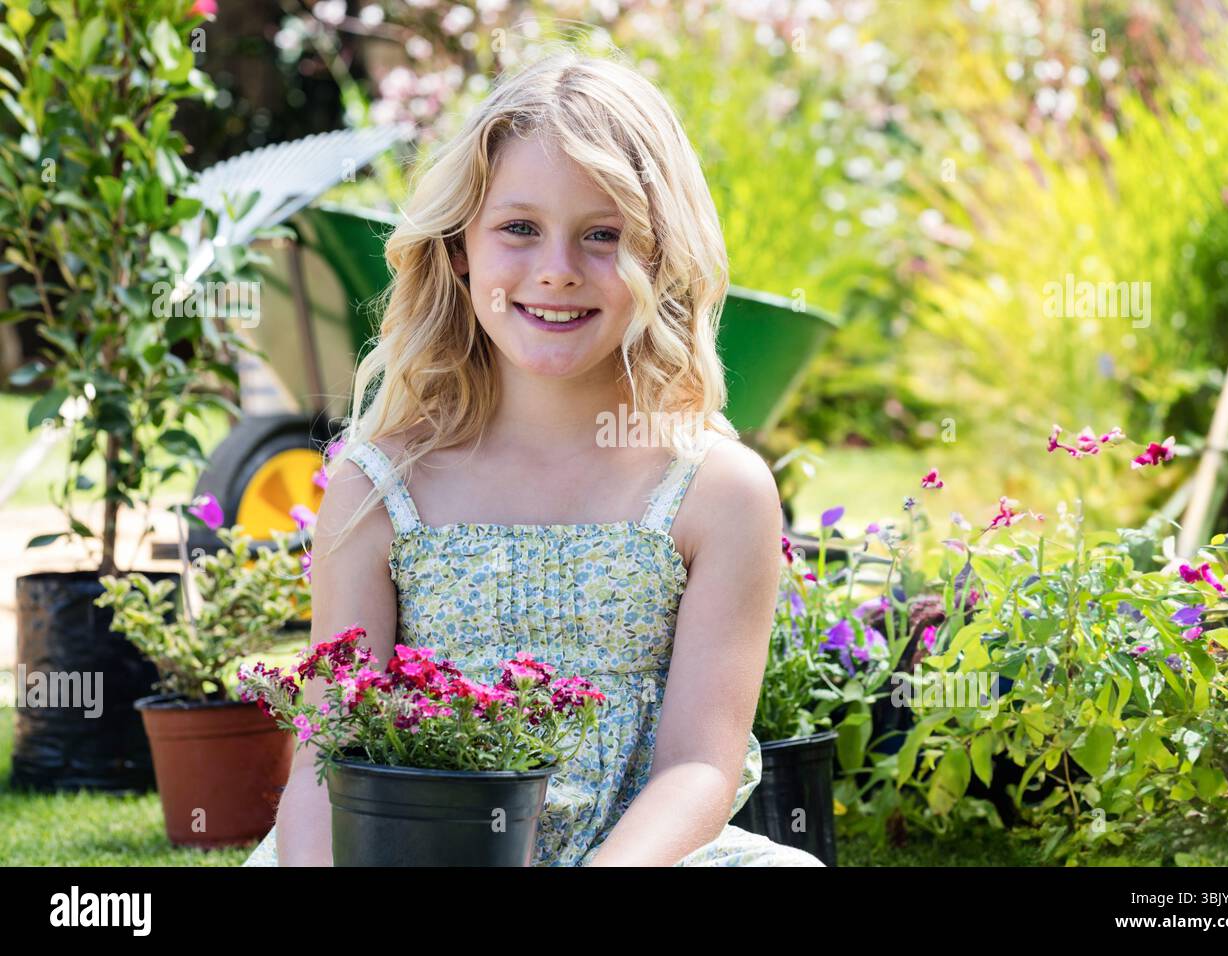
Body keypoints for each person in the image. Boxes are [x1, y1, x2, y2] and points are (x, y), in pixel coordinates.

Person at [243, 47, 823, 867]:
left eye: (602, 235)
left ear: (658, 259)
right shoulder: (383, 486)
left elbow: (698, 766)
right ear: (457, 249)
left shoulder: (715, 492)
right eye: (519, 229)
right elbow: (326, 756)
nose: (556, 271)